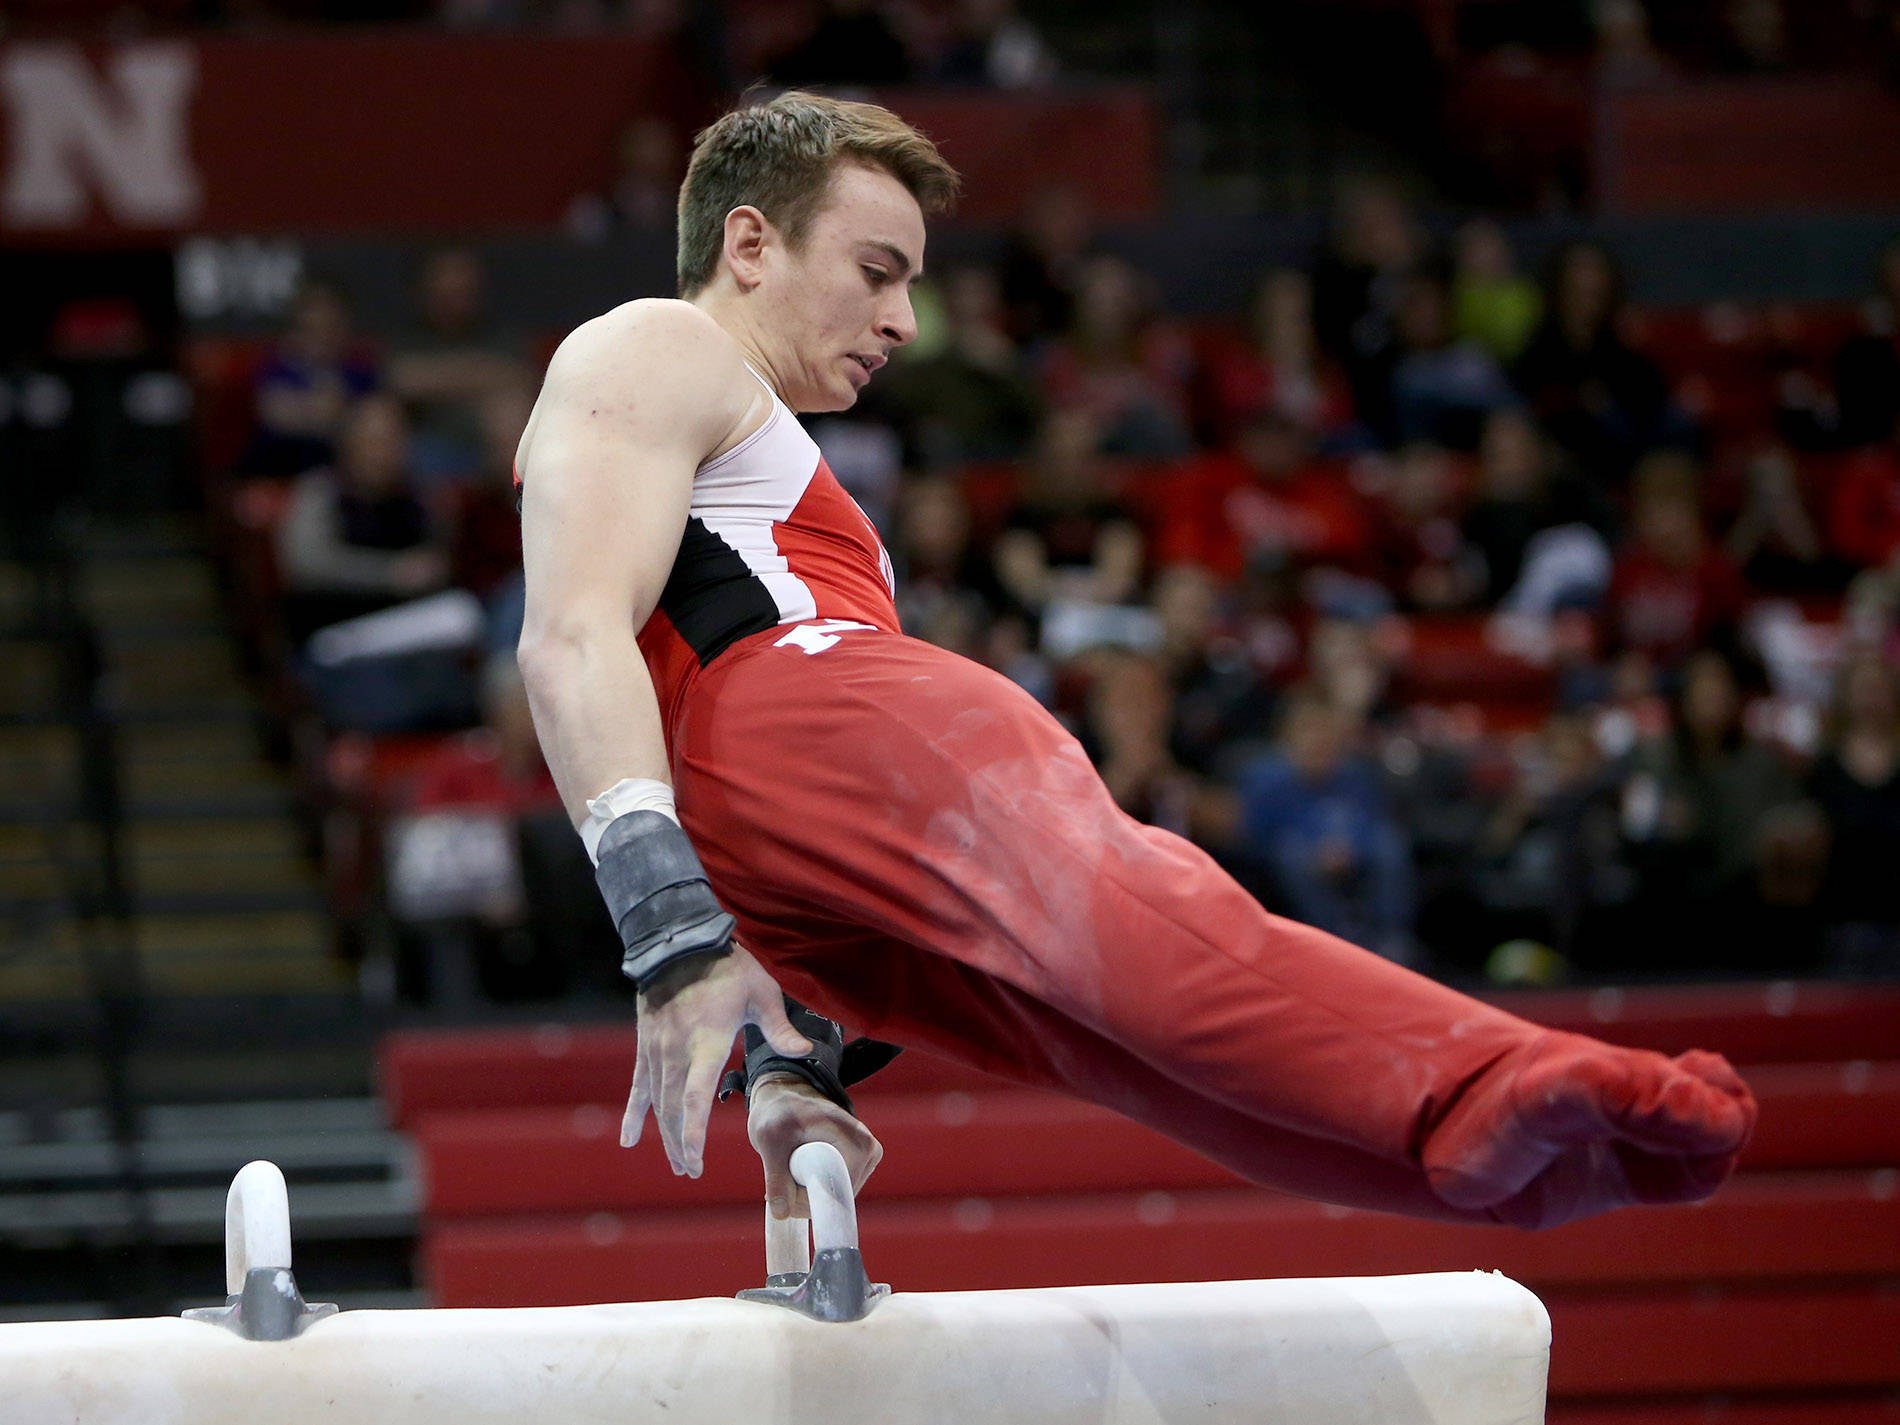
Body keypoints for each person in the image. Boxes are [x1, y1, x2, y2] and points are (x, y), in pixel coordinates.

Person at [513, 90, 1756, 1233]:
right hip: (796, 723)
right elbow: (572, 639)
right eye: (876, 272)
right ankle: (1486, 1088)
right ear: (748, 245)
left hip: (765, 826)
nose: (902, 321)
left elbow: (664, 715)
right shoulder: (658, 344)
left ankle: (1499, 1158)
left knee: (1113, 1037)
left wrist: (790, 1059)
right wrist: (672, 936)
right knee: (1139, 946)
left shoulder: (740, 454)